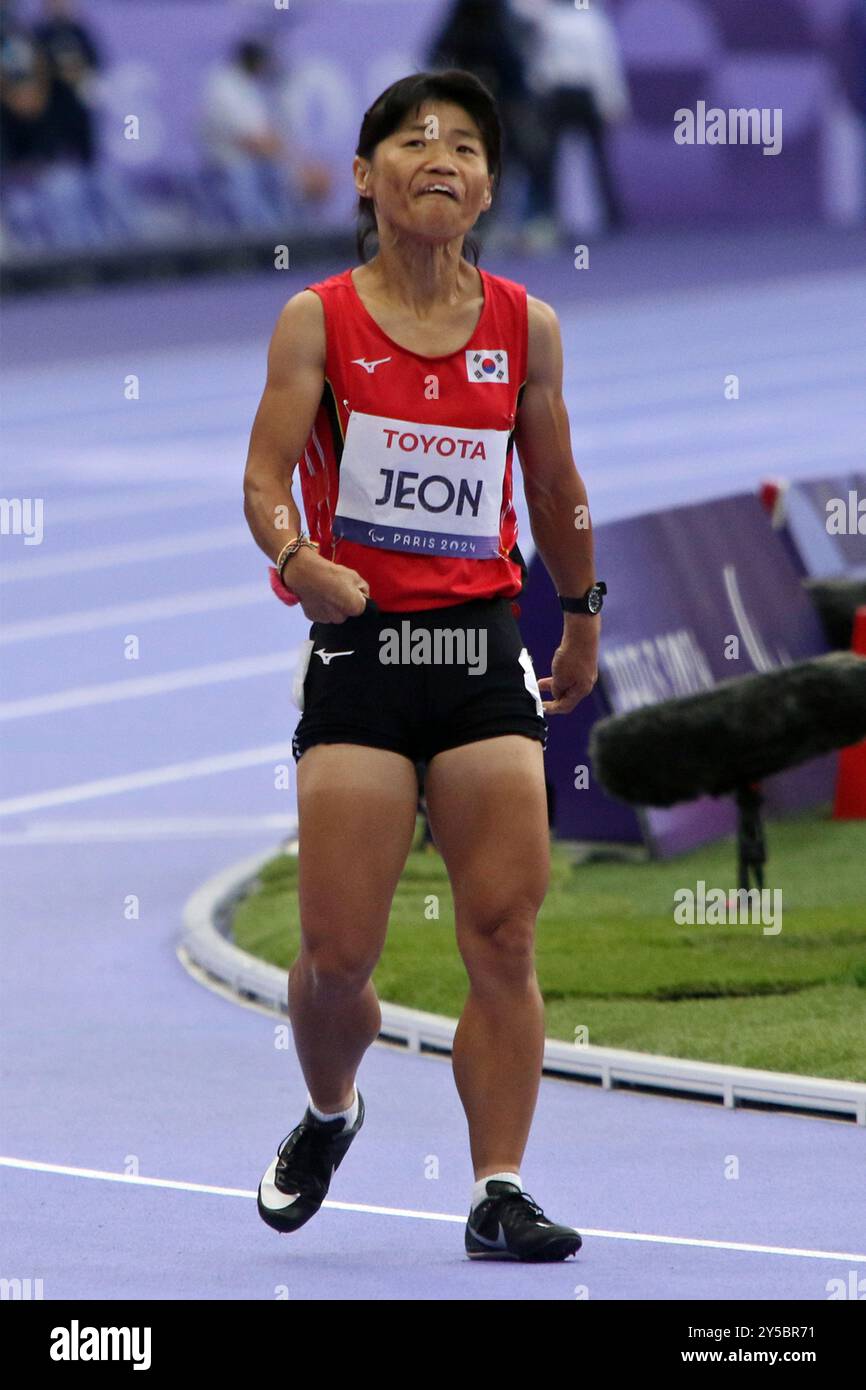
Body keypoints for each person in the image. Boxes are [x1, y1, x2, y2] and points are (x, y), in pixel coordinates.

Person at [243, 68, 605, 1263]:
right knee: (338, 957)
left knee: (502, 933)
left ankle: (498, 1187)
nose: (439, 155)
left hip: (477, 653)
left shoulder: (524, 326)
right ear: (365, 176)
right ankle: (330, 1108)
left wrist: (584, 613)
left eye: (464, 145)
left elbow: (553, 490)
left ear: (489, 185)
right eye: (412, 140)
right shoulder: (317, 320)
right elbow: (260, 482)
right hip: (359, 652)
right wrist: (299, 560)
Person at [199, 38, 330, 232]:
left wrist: (301, 164)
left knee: (301, 179)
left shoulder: (249, 87)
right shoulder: (225, 87)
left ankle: (296, 234)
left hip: (258, 165)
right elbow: (252, 141)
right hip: (230, 167)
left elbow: (269, 134)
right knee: (274, 181)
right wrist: (294, 167)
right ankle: (267, 239)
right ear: (256, 61)